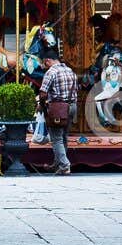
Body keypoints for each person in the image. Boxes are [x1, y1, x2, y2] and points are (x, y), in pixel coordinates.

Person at [37, 46, 78, 176]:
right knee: (64, 136)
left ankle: (65, 165)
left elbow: (43, 93)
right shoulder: (70, 70)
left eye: (44, 63)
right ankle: (58, 164)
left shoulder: (51, 72)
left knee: (56, 138)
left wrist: (42, 105)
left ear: (48, 60)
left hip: (58, 109)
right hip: (72, 106)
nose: (44, 66)